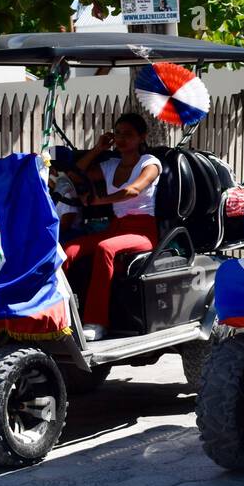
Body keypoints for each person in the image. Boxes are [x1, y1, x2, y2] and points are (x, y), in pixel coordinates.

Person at [63, 113, 162, 340]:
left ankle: (96, 322)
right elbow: (73, 175)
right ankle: (61, 314)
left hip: (142, 230)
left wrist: (99, 200)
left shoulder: (149, 163)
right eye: (117, 133)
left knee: (105, 248)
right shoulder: (110, 165)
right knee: (68, 250)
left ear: (141, 137)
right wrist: (98, 149)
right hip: (116, 228)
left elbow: (134, 190)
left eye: (128, 134)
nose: (121, 139)